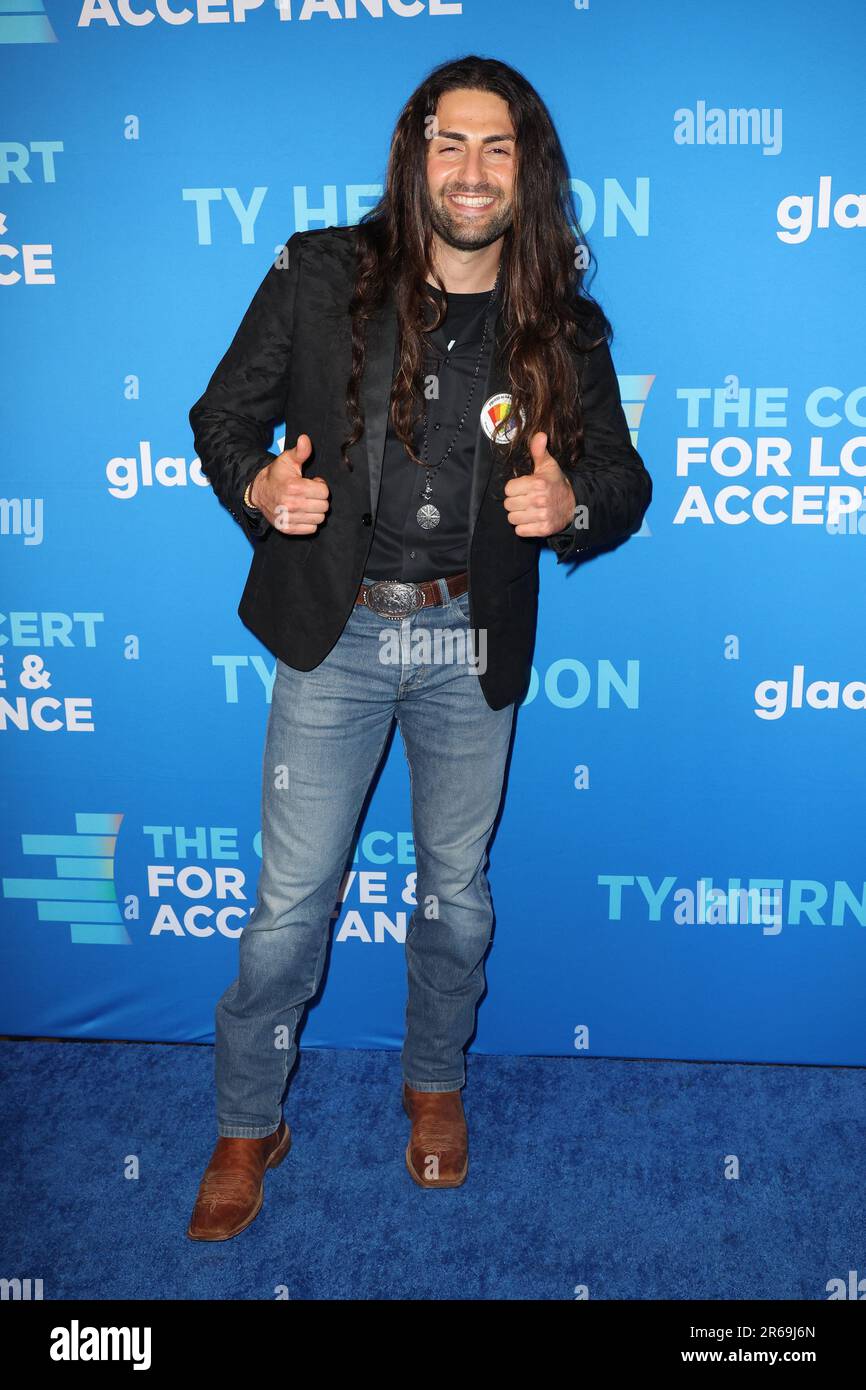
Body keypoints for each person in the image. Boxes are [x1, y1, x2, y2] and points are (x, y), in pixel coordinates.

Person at [186, 54, 652, 1241]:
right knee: (289, 909)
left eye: (497, 147)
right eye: (450, 142)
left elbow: (619, 477)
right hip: (332, 634)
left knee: (456, 898)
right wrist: (258, 486)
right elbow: (222, 415)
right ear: (414, 153)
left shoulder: (561, 318)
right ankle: (250, 1122)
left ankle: (432, 1086)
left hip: (469, 637)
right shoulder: (319, 271)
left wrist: (571, 510)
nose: (471, 169)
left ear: (526, 167)